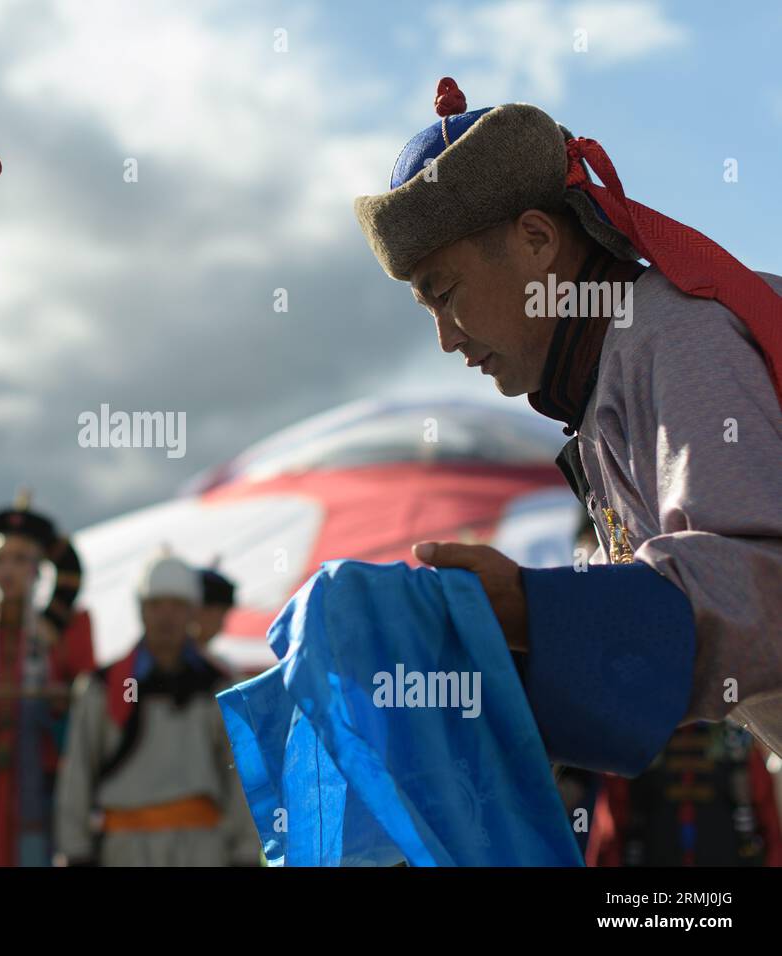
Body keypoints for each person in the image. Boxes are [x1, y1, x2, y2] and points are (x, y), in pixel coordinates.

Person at [352, 77, 782, 777]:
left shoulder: (675, 338)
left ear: (535, 239)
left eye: (445, 292)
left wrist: (534, 612)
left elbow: (769, 586)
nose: (444, 340)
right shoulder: (614, 366)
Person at [54, 552, 260, 866]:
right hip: (123, 850)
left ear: (193, 611)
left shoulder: (220, 688)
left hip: (202, 849)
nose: (166, 616)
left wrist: (244, 852)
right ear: (141, 609)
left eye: (177, 605)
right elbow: (78, 772)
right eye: (156, 605)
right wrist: (75, 850)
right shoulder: (101, 688)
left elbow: (241, 777)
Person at [0, 493, 95, 866]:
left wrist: (62, 702)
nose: (9, 570)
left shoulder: (68, 630)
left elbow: (89, 707)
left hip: (42, 782)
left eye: (22, 559)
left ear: (39, 569)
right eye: (0, 560)